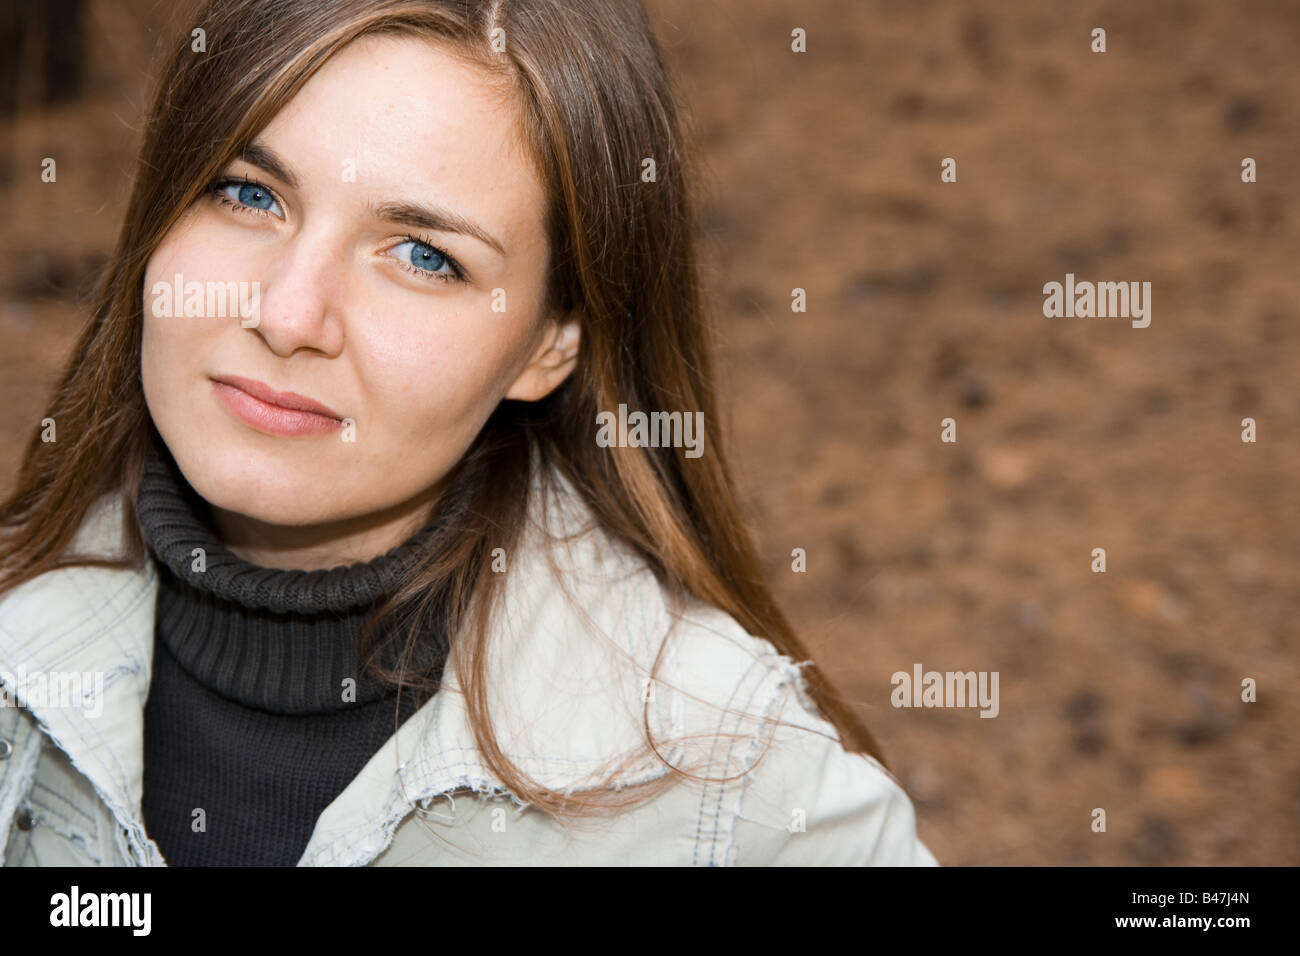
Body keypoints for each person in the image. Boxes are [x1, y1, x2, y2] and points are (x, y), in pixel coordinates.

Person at [0, 0, 937, 866]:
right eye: (250, 194)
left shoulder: (742, 796)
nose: (288, 314)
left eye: (422, 256)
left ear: (548, 344)